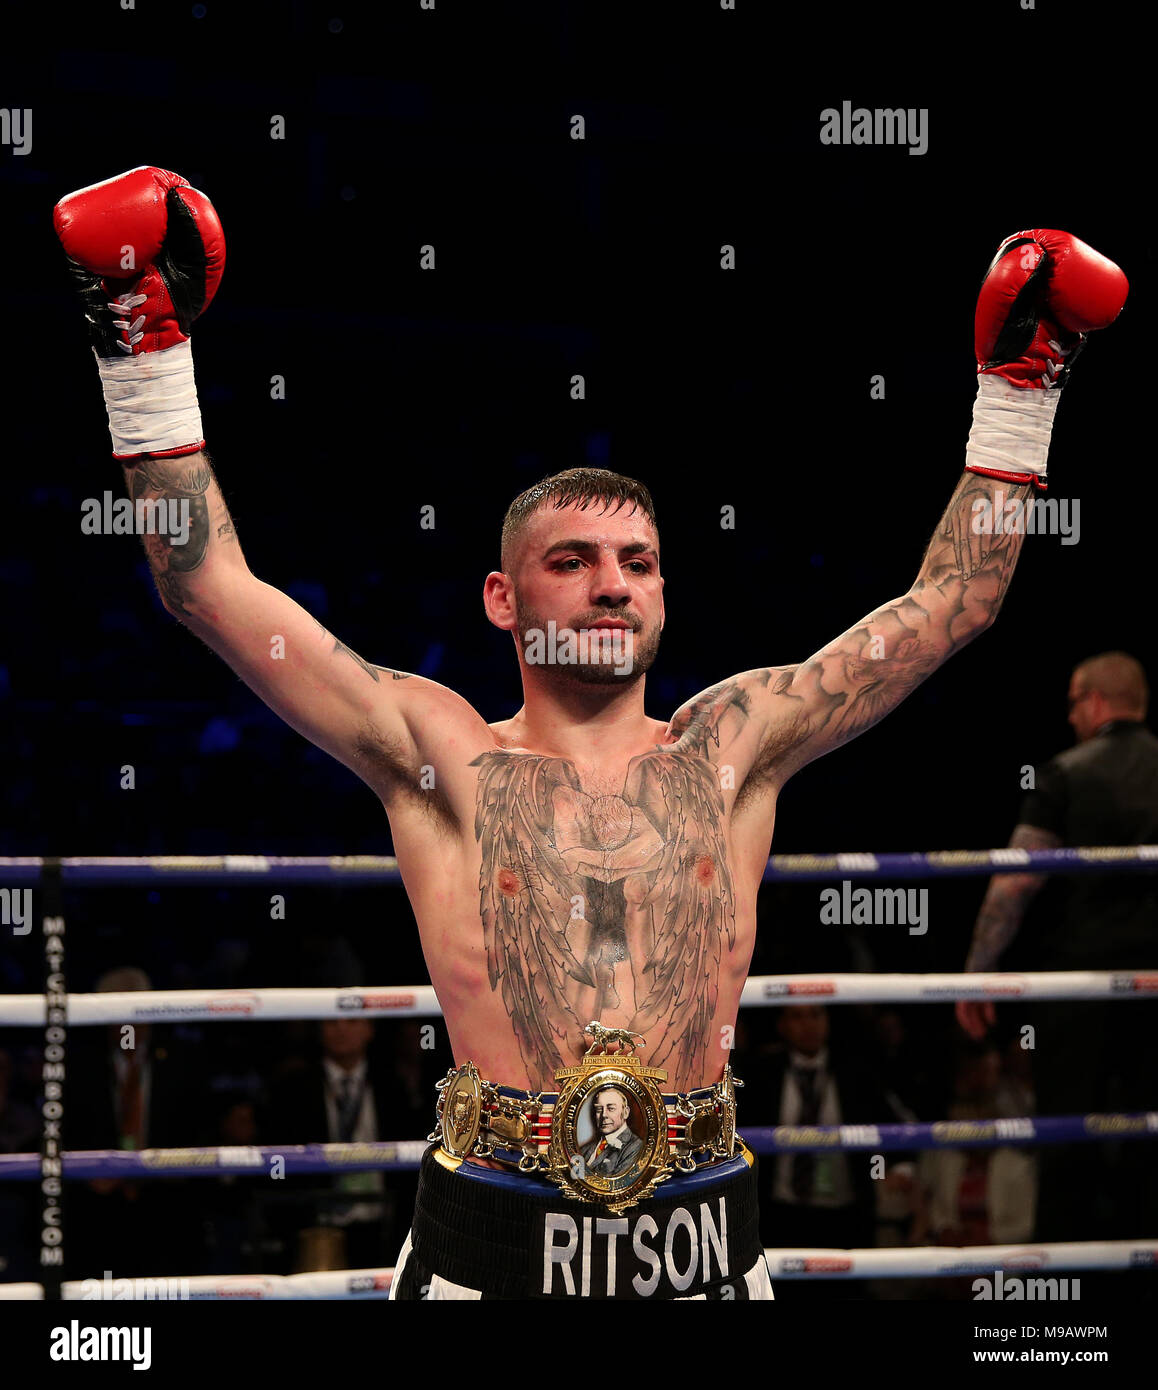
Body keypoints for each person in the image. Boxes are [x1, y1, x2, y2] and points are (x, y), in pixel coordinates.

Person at [54, 167, 1128, 1299]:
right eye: (572, 563)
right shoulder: (442, 752)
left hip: (703, 1237)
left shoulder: (733, 741)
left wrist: (1023, 389)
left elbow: (952, 605)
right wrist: (144, 350)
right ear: (501, 600)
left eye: (639, 563)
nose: (613, 587)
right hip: (493, 1243)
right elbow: (204, 584)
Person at [958, 652, 1158, 1242]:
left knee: (1068, 1141)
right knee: (1151, 1143)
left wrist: (978, 969)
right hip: (1153, 991)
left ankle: (1064, 1307)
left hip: (1081, 989)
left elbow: (1015, 881)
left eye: (1074, 702)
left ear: (1095, 701)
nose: (1070, 717)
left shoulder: (1067, 772)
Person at [578, 1085, 644, 1177]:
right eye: (599, 1109)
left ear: (625, 1113)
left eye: (611, 1108)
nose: (603, 1115)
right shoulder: (584, 1150)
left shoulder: (636, 1147)